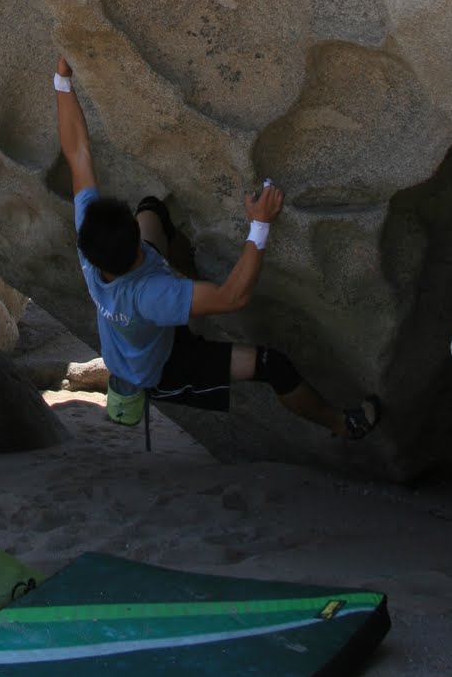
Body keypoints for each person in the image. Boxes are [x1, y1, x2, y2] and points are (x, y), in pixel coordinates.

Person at [54, 55, 380, 440]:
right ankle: (343, 424)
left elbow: (78, 154)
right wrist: (260, 224)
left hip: (133, 327)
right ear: (139, 252)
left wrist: (62, 81)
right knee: (271, 365)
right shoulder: (153, 294)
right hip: (163, 367)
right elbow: (232, 297)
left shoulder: (90, 243)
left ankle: (191, 273)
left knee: (151, 209)